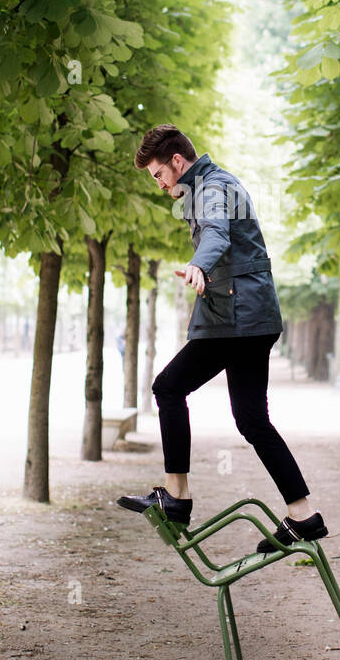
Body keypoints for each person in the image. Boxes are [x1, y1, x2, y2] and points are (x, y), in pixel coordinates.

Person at [117, 125, 327, 552]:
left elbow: (216, 232)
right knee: (252, 419)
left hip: (238, 318)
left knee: (168, 387)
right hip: (248, 318)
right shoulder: (211, 186)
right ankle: (304, 515)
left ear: (177, 162)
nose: (160, 186)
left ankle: (176, 498)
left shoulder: (213, 188)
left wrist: (198, 264)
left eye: (159, 175)